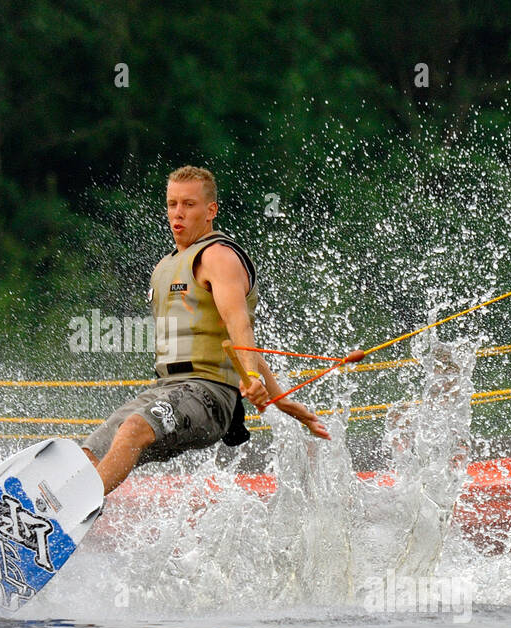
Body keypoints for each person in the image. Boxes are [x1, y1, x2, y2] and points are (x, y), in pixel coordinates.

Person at [81, 164, 331, 496]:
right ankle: (49, 524)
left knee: (133, 430)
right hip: (167, 389)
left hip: (209, 398)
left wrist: (252, 379)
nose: (178, 213)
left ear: (210, 210)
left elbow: (239, 327)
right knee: (88, 452)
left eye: (189, 204)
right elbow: (227, 345)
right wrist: (283, 402)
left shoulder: (219, 258)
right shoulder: (165, 267)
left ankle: (70, 516)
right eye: (172, 204)